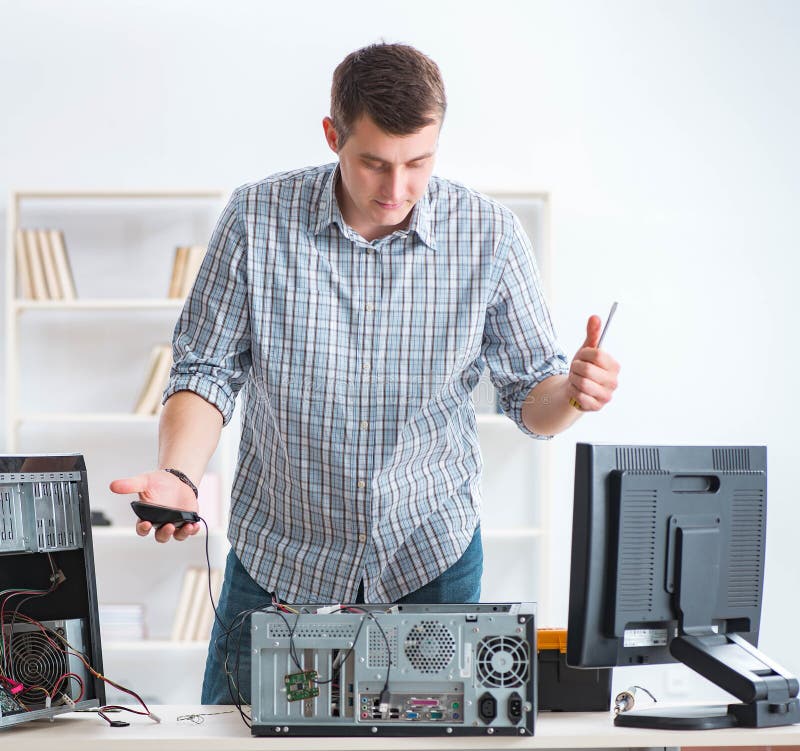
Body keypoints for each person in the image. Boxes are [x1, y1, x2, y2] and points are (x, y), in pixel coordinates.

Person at [110, 42, 619, 704]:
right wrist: (178, 473)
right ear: (333, 136)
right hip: (280, 559)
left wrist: (574, 394)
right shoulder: (256, 219)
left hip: (429, 557)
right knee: (232, 742)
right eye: (375, 163)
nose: (398, 189)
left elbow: (532, 400)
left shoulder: (491, 236)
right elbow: (206, 370)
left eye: (419, 163)